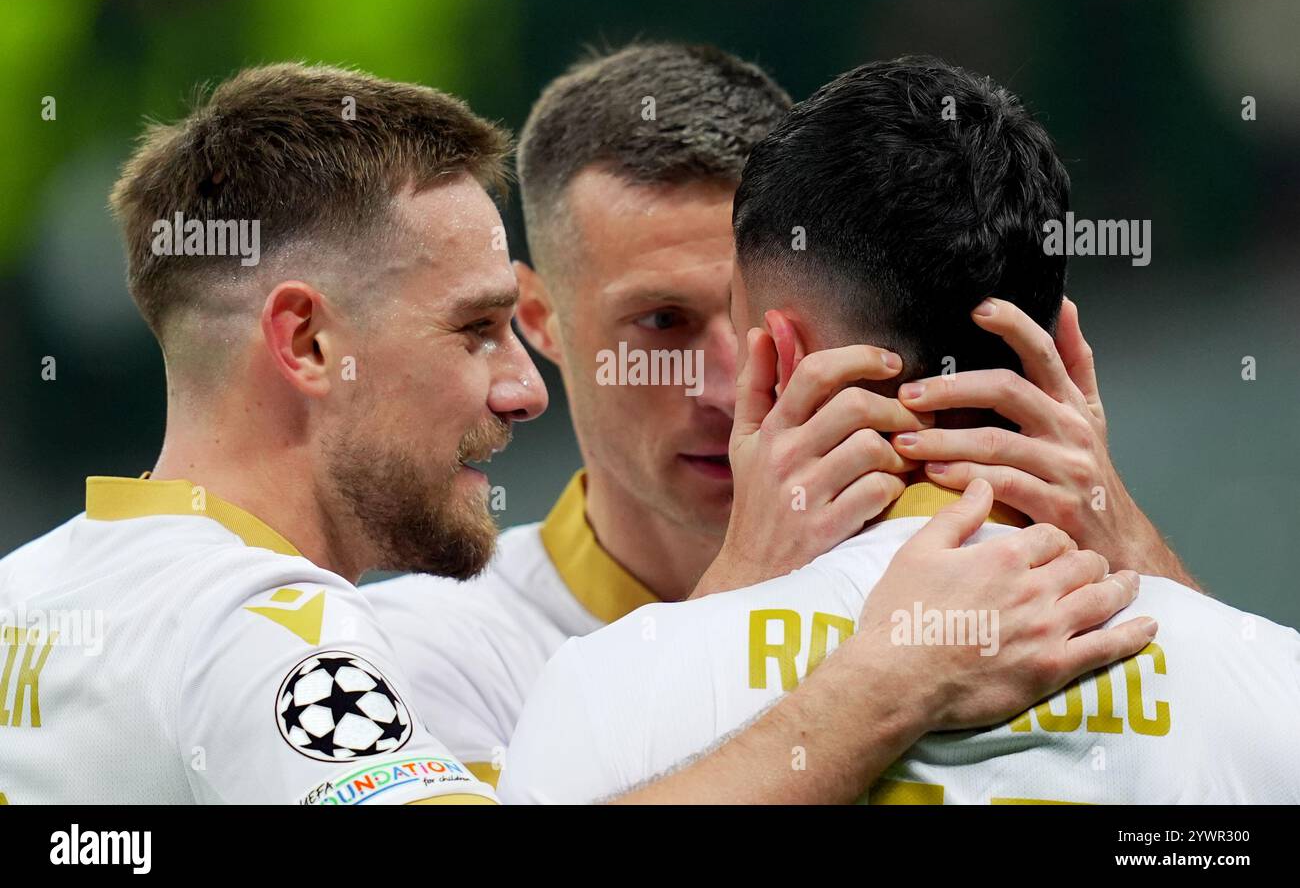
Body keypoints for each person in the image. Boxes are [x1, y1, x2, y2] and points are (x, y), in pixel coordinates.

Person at [0, 61, 1144, 805]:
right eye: (476, 329)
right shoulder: (268, 631)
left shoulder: (28, 598)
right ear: (304, 345)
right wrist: (885, 676)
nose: (521, 388)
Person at [367, 44, 1196, 784]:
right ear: (540, 319)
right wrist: (735, 601)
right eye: (663, 323)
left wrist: (1138, 553)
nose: (734, 390)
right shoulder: (420, 657)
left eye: (764, 324)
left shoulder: (1003, 590)